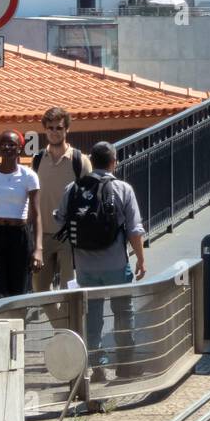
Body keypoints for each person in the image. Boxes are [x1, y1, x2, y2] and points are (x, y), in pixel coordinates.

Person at [56, 142, 147, 382]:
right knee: (123, 313)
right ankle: (126, 364)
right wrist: (140, 259)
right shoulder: (123, 189)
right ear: (113, 162)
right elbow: (134, 230)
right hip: (116, 264)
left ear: (91, 161)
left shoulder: (73, 188)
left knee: (92, 317)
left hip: (84, 266)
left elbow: (60, 218)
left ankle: (98, 367)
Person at [31, 107, 91, 294]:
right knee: (39, 291)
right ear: (45, 129)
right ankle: (60, 324)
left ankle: (71, 323)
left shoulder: (79, 160)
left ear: (67, 130)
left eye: (59, 128)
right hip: (43, 236)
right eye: (50, 128)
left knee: (70, 292)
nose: (54, 132)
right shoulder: (37, 159)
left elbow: (90, 198)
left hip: (70, 237)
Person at [0, 131, 40, 298]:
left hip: (19, 235)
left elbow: (36, 214)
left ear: (19, 148)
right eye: (4, 144)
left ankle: (19, 323)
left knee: (19, 289)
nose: (7, 147)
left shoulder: (29, 176)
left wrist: (38, 249)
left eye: (12, 144)